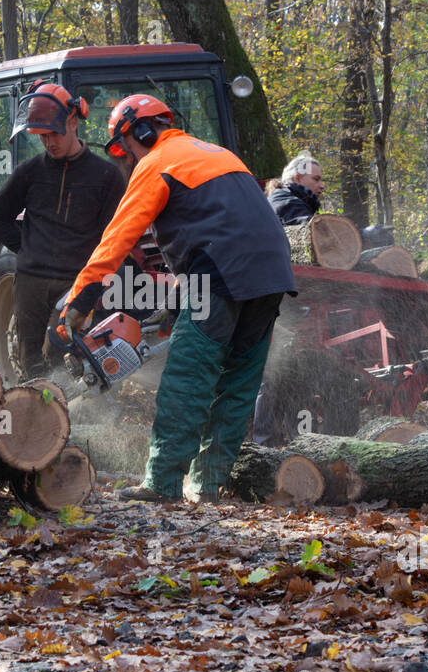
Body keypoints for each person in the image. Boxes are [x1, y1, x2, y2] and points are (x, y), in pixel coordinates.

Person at [60, 94, 296, 503]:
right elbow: (225, 222)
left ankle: (163, 482)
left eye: (126, 149)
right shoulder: (220, 155)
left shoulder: (157, 163)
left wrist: (79, 304)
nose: (128, 159)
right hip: (273, 272)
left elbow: (117, 240)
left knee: (188, 377)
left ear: (142, 132)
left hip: (221, 271)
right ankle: (208, 485)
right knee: (238, 381)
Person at [0, 82, 126, 378]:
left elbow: (113, 238)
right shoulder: (30, 171)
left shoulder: (106, 175)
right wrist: (27, 247)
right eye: (42, 136)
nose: (49, 142)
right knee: (30, 358)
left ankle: (74, 418)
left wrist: (96, 282)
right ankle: (35, 415)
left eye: (54, 134)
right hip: (31, 282)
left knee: (62, 354)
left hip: (75, 281)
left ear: (73, 123)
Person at [267, 153, 323, 224]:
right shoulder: (284, 201)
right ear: (298, 178)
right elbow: (312, 226)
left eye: (322, 180)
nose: (322, 186)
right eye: (316, 179)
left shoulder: (295, 200)